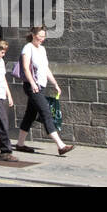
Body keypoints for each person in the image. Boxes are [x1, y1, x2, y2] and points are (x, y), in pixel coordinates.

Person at [15, 26, 75, 156]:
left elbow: (45, 68)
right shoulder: (28, 48)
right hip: (32, 86)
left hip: (41, 86)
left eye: (44, 36)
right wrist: (32, 83)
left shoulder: (42, 49)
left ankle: (20, 144)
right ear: (33, 35)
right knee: (46, 112)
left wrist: (55, 83)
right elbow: (25, 68)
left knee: (30, 115)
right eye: (40, 36)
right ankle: (61, 145)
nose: (43, 39)